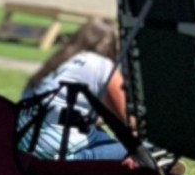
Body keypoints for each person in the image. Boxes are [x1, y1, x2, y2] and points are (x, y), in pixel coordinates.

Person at [16, 16, 133, 161]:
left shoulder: (57, 61)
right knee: (151, 146)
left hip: (25, 148)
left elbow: (58, 110)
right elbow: (129, 120)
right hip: (60, 156)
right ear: (110, 45)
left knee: (99, 131)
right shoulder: (102, 65)